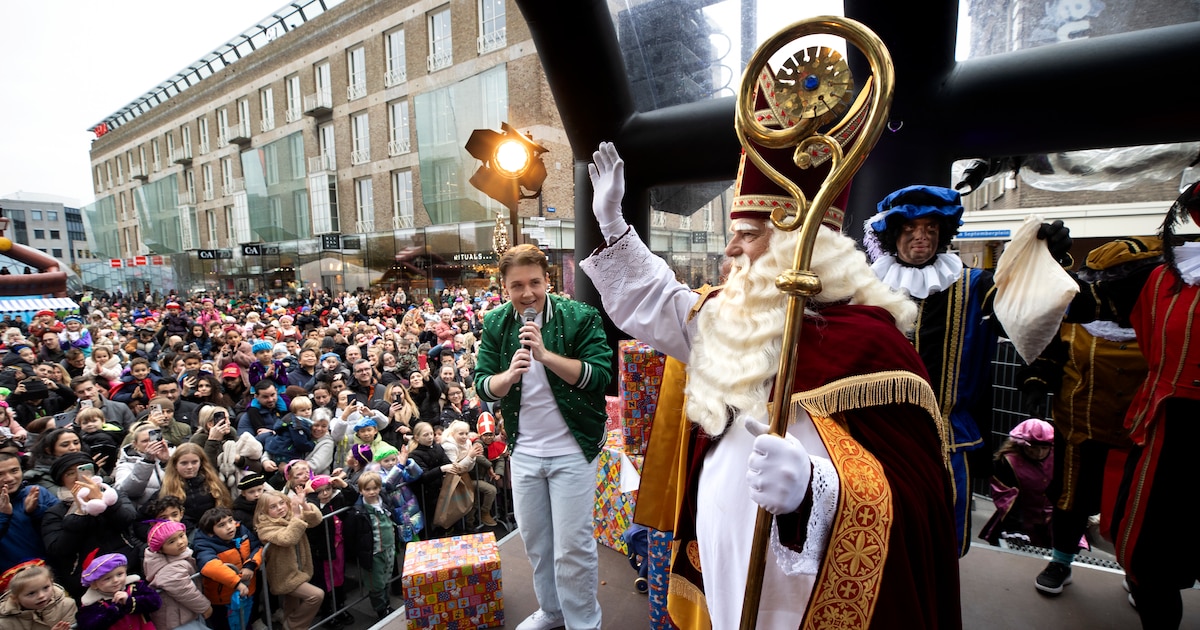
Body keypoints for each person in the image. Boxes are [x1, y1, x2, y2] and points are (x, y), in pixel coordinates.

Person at [579, 141, 959, 628]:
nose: (730, 248)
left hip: (799, 596)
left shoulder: (872, 348)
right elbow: (659, 301)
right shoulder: (730, 318)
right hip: (725, 573)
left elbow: (917, 504)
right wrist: (613, 224)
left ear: (800, 247)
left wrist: (818, 490)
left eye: (747, 235)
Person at [863, 184, 1072, 556]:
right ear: (895, 235)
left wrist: (1046, 260)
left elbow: (1024, 305)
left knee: (943, 529)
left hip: (949, 435)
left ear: (942, 235)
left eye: (930, 229)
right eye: (910, 229)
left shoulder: (974, 285)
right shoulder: (866, 287)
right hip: (881, 432)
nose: (920, 237)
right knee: (881, 528)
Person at [473, 242, 613, 630]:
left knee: (573, 547)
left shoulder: (580, 316)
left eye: (534, 282)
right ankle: (552, 611)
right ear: (505, 288)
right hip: (524, 452)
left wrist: (546, 356)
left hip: (573, 449)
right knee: (537, 543)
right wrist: (509, 375)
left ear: (547, 281)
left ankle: (584, 621)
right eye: (517, 285)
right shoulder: (496, 324)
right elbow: (484, 387)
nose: (527, 293)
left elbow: (600, 376)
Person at [1018, 236, 1161, 596]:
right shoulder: (1076, 318)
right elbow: (1049, 353)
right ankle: (1061, 560)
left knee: (1137, 507)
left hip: (1141, 435)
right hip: (1079, 425)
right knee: (1070, 500)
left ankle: (1137, 573)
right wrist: (1036, 383)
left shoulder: (1161, 322)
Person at [254, 488, 325, 630]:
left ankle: (291, 623)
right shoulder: (265, 528)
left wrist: (304, 504)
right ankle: (292, 626)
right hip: (284, 575)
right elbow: (288, 538)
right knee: (316, 595)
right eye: (273, 507)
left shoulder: (290, 516)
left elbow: (316, 520)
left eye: (282, 503)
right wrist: (297, 516)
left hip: (299, 568)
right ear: (264, 511)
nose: (280, 508)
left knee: (292, 605)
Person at [979, 419, 1056, 547]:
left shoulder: (1057, 459)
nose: (1039, 453)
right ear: (1022, 444)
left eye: (1044, 448)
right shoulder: (1008, 462)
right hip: (1017, 522)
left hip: (1051, 525)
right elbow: (1006, 497)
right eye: (1034, 447)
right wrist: (1015, 527)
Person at [194, 506, 262, 630]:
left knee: (246, 624)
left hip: (247, 592)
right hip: (224, 601)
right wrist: (237, 583)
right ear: (210, 532)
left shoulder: (241, 530)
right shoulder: (203, 543)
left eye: (230, 521)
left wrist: (251, 564)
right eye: (221, 525)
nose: (230, 526)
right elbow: (210, 566)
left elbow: (257, 548)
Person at [345, 471, 402, 620]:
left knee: (385, 578)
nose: (371, 492)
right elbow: (351, 535)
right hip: (373, 552)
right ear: (361, 490)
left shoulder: (384, 499)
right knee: (375, 583)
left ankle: (387, 604)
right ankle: (381, 609)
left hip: (389, 547)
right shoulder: (358, 512)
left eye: (374, 488)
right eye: (367, 489)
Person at [143, 519, 211, 630]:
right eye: (171, 542)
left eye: (181, 536)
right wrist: (205, 607)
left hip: (184, 614)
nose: (180, 542)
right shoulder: (171, 568)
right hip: (177, 621)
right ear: (160, 549)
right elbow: (185, 590)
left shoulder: (176, 556)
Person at [0, 453, 59, 575]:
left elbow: (60, 528)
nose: (9, 478)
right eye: (0, 474)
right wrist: (4, 516)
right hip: (10, 579)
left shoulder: (37, 493)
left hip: (50, 571)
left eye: (14, 471)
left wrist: (36, 511)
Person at [74, 553, 161, 630]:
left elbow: (156, 602)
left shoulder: (135, 586)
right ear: (94, 584)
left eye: (120, 574)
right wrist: (114, 610)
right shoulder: (91, 603)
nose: (115, 580)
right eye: (107, 578)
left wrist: (129, 601)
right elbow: (87, 626)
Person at [0, 560, 76, 630]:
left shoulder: (67, 605)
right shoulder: (5, 622)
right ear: (15, 598)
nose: (41, 596)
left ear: (52, 583)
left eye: (46, 588)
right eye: (31, 593)